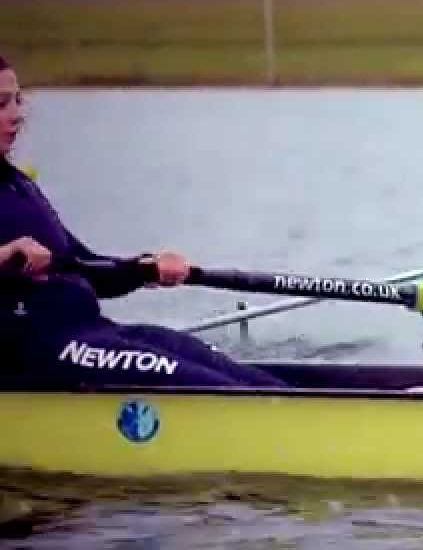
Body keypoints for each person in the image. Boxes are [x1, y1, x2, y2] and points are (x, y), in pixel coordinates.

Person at [0, 54, 285, 389]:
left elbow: (87, 268)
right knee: (212, 387)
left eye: (18, 100)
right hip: (32, 351)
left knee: (214, 364)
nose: (17, 114)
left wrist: (144, 268)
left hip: (87, 333)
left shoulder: (17, 184)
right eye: (1, 104)